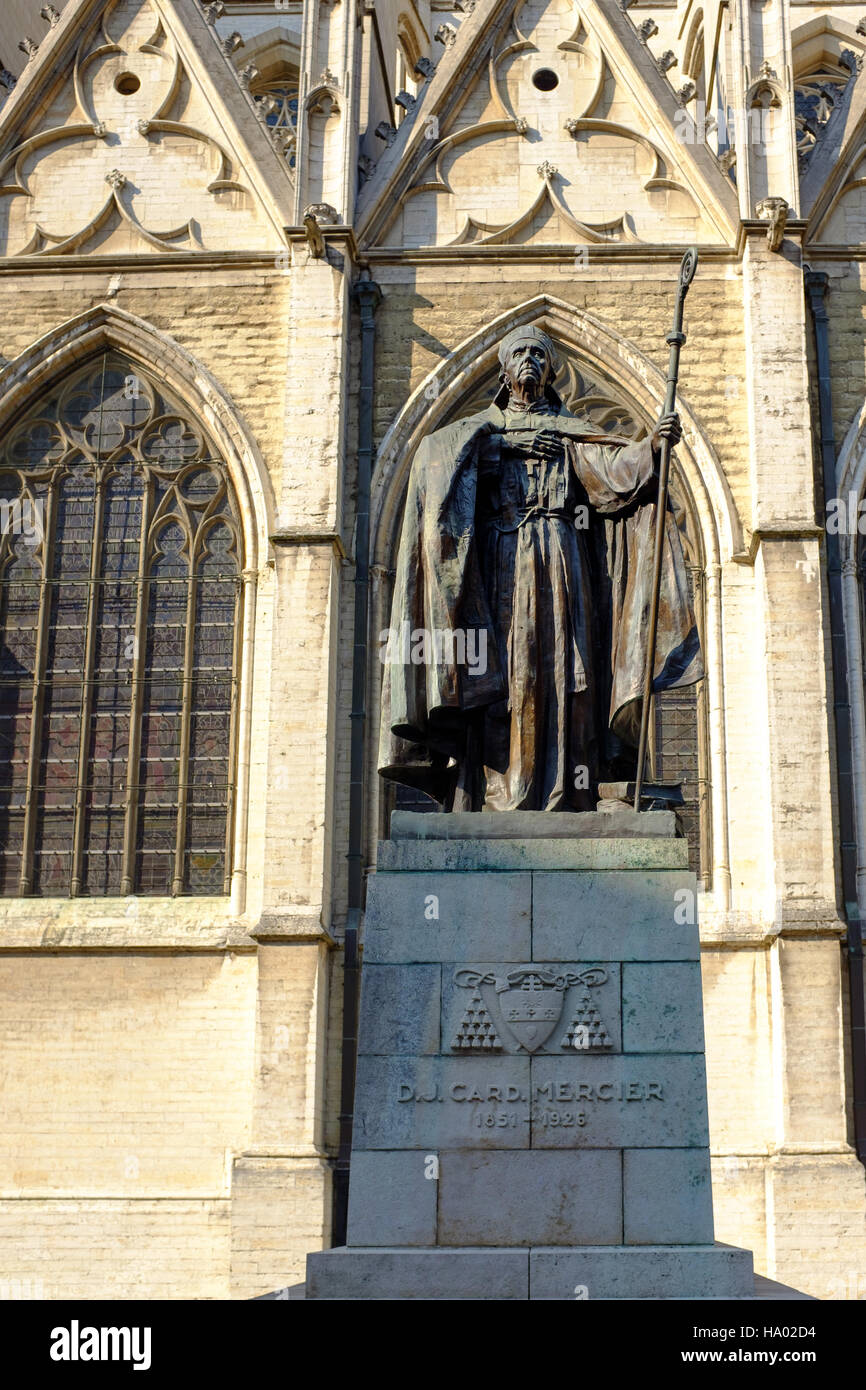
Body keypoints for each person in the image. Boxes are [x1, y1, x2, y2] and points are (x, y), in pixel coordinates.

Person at [378, 324, 701, 811]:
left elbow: (614, 476)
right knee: (505, 674)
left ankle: (571, 792)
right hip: (495, 565)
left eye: (539, 354)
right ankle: (496, 792)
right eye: (520, 353)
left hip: (562, 558)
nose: (530, 359)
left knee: (568, 671)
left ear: (549, 370)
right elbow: (436, 465)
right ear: (505, 372)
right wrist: (506, 448)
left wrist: (652, 447)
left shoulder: (570, 433)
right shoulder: (478, 437)